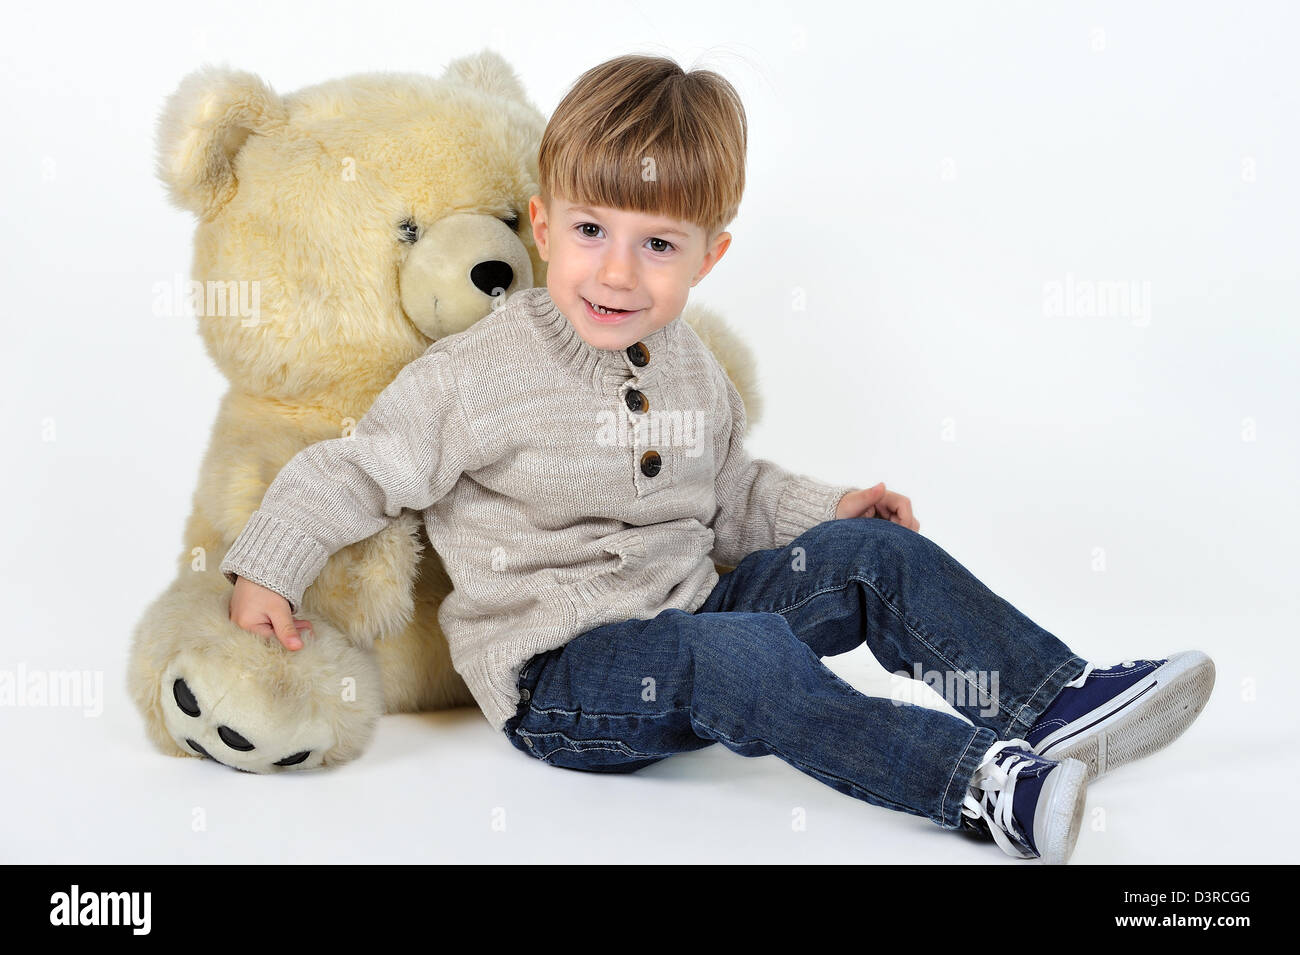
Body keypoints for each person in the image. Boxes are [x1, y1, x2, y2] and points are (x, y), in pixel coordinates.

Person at [220, 54, 1215, 864]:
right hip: (567, 678)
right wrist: (269, 561)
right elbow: (357, 466)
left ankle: (1050, 702)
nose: (616, 271)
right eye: (591, 231)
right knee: (742, 657)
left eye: (659, 245)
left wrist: (834, 507)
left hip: (695, 610)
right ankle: (978, 785)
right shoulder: (476, 372)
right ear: (542, 223)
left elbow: (732, 494)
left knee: (875, 557)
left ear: (710, 256)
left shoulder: (691, 368)